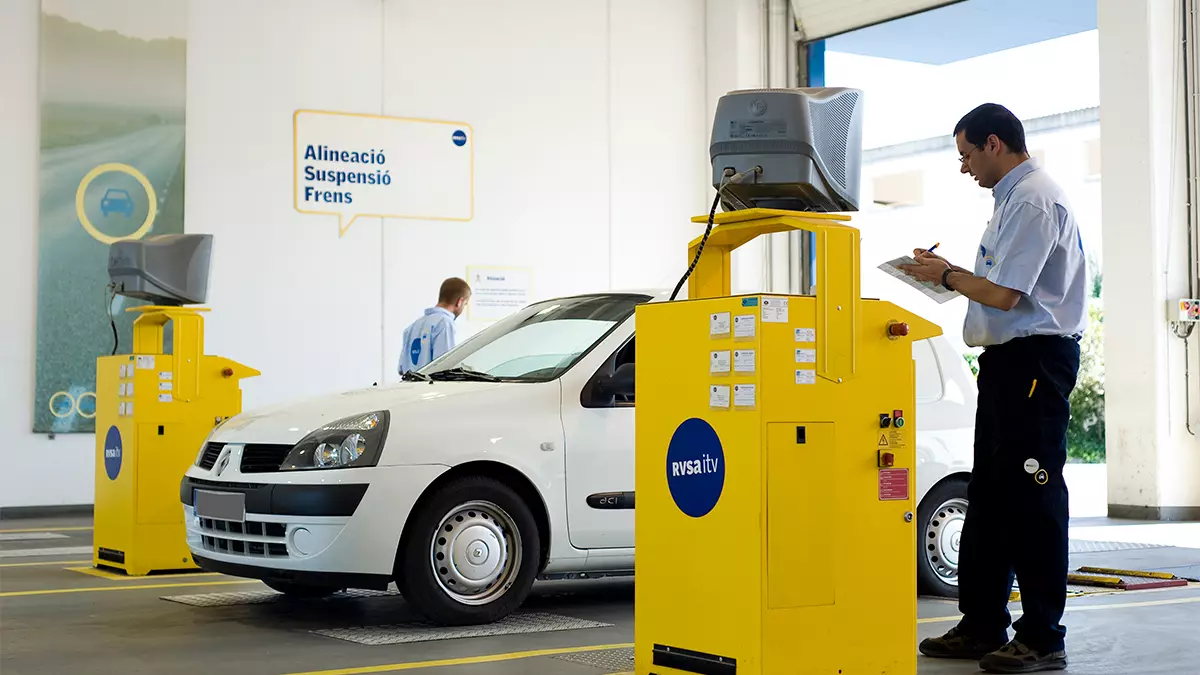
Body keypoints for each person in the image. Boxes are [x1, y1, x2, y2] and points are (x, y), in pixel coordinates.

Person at [898, 103, 1086, 674]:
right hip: (1008, 366)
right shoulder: (1010, 203)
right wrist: (949, 270)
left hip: (1035, 362)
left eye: (967, 155)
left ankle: (1041, 636)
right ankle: (982, 622)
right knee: (992, 496)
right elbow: (1001, 286)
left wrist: (947, 276)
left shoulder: (1033, 200)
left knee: (1032, 498)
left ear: (995, 144)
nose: (964, 168)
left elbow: (1005, 297)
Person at [398, 277, 471, 374]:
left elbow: (401, 369)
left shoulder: (411, 327)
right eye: (465, 304)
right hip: (433, 388)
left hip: (410, 388)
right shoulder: (445, 323)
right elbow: (445, 367)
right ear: (459, 301)